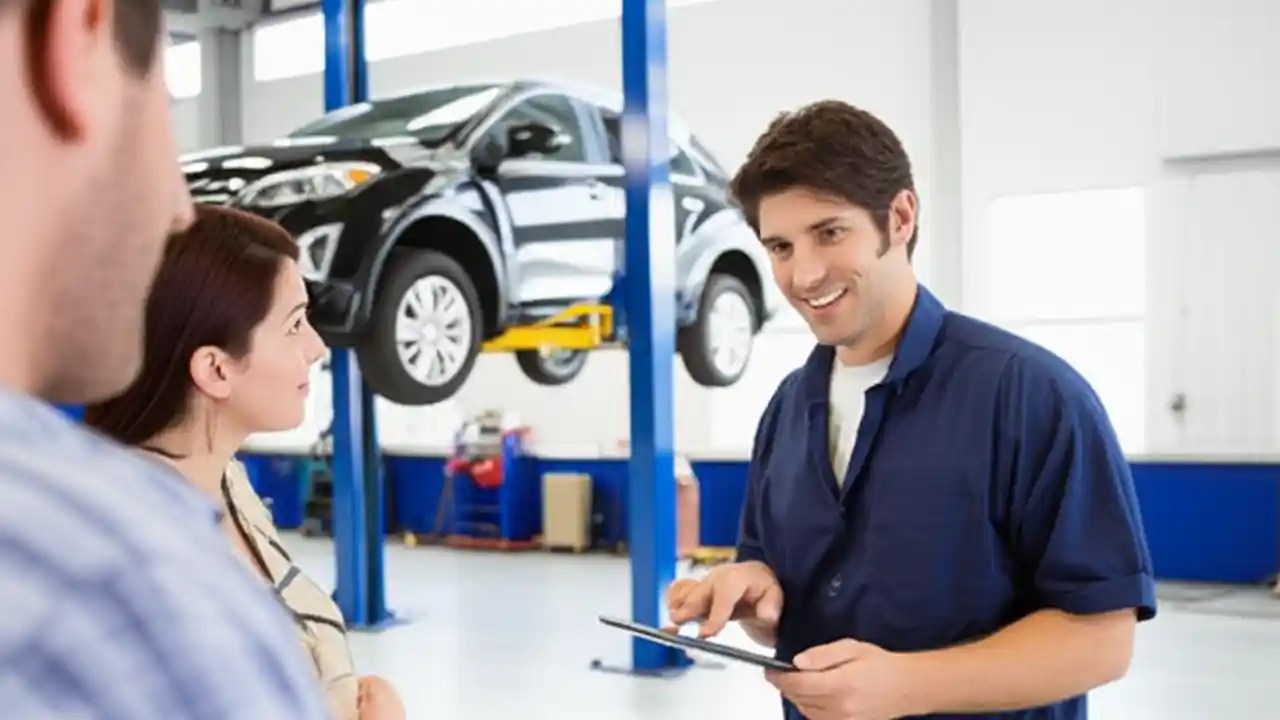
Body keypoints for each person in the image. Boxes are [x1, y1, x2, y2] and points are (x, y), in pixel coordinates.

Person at [666, 100, 1157, 720]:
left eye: (830, 232)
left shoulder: (1031, 395)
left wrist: (905, 686)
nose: (805, 274)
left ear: (899, 217)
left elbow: (1101, 641)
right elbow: (782, 612)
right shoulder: (787, 412)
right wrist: (756, 597)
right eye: (781, 247)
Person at [0, 0, 327, 717]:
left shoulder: (219, 506)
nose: (180, 210)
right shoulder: (123, 590)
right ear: (78, 34)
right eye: (165, 117)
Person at [84, 204, 407, 720]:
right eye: (294, 324)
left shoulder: (226, 483)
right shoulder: (142, 545)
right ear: (216, 369)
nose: (316, 347)